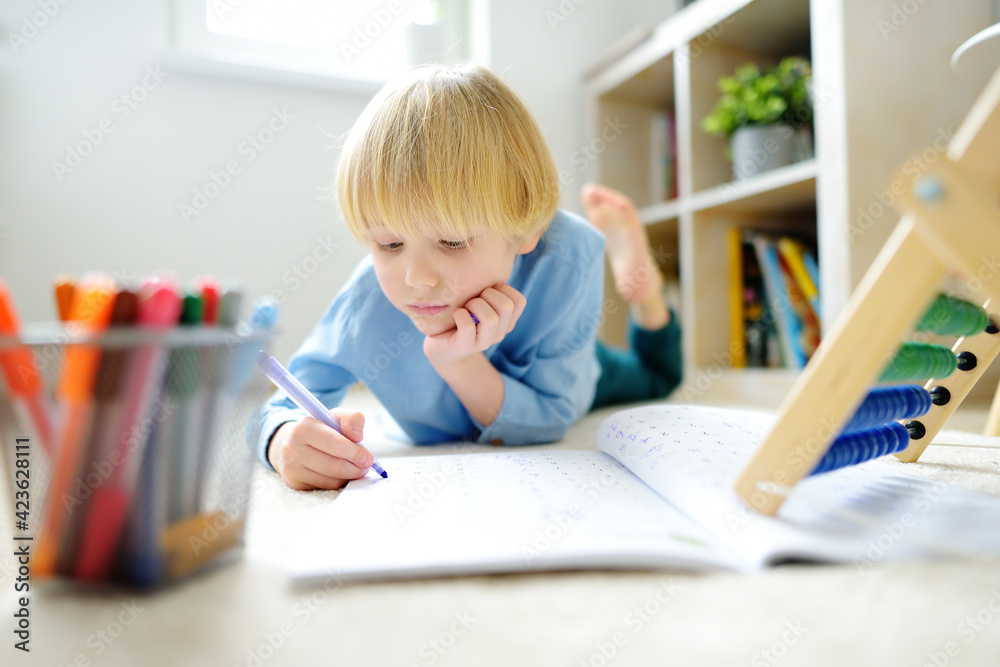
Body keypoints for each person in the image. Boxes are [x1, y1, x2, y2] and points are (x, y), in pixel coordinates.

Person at [251, 63, 682, 491]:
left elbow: (550, 420)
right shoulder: (366, 302)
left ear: (527, 229)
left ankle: (646, 294)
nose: (417, 278)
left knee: (657, 379)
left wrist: (459, 364)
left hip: (568, 364)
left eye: (453, 242)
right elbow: (277, 408)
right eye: (388, 244)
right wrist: (283, 441)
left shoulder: (566, 258)